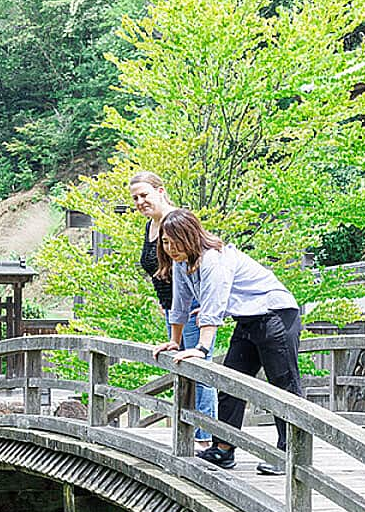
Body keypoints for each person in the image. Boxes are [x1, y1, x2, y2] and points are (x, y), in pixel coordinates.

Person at [151, 209, 302, 475]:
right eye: (165, 242)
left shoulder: (213, 258)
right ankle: (223, 448)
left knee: (283, 384)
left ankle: (288, 454)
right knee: (230, 381)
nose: (171, 248)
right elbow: (180, 305)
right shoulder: (181, 263)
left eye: (176, 241)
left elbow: (213, 304)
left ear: (191, 236)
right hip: (247, 318)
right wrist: (174, 342)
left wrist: (200, 349)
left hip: (276, 314)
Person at [129, 172, 217, 445]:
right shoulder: (151, 226)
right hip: (173, 310)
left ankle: (205, 438)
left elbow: (201, 257)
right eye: (135, 198)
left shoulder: (176, 221)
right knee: (182, 372)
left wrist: (204, 304)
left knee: (199, 371)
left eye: (144, 195)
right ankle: (189, 436)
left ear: (160, 191)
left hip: (192, 308)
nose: (140, 201)